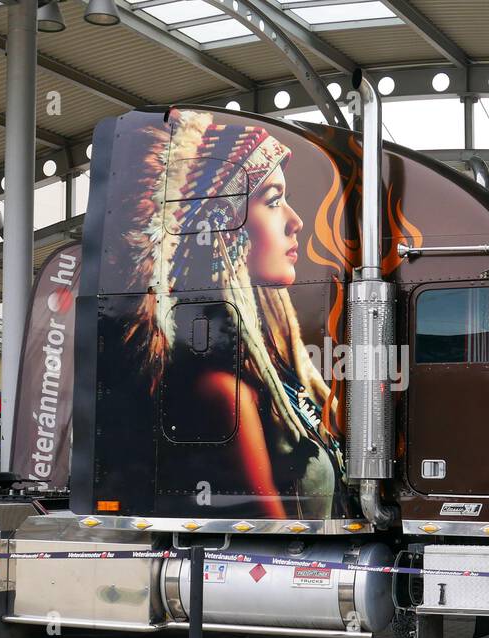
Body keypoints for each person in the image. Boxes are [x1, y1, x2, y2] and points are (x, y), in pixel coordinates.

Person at [128, 111, 347, 519]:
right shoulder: (224, 392)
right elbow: (275, 541)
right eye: (274, 201)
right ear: (225, 232)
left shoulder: (276, 371)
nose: (296, 222)